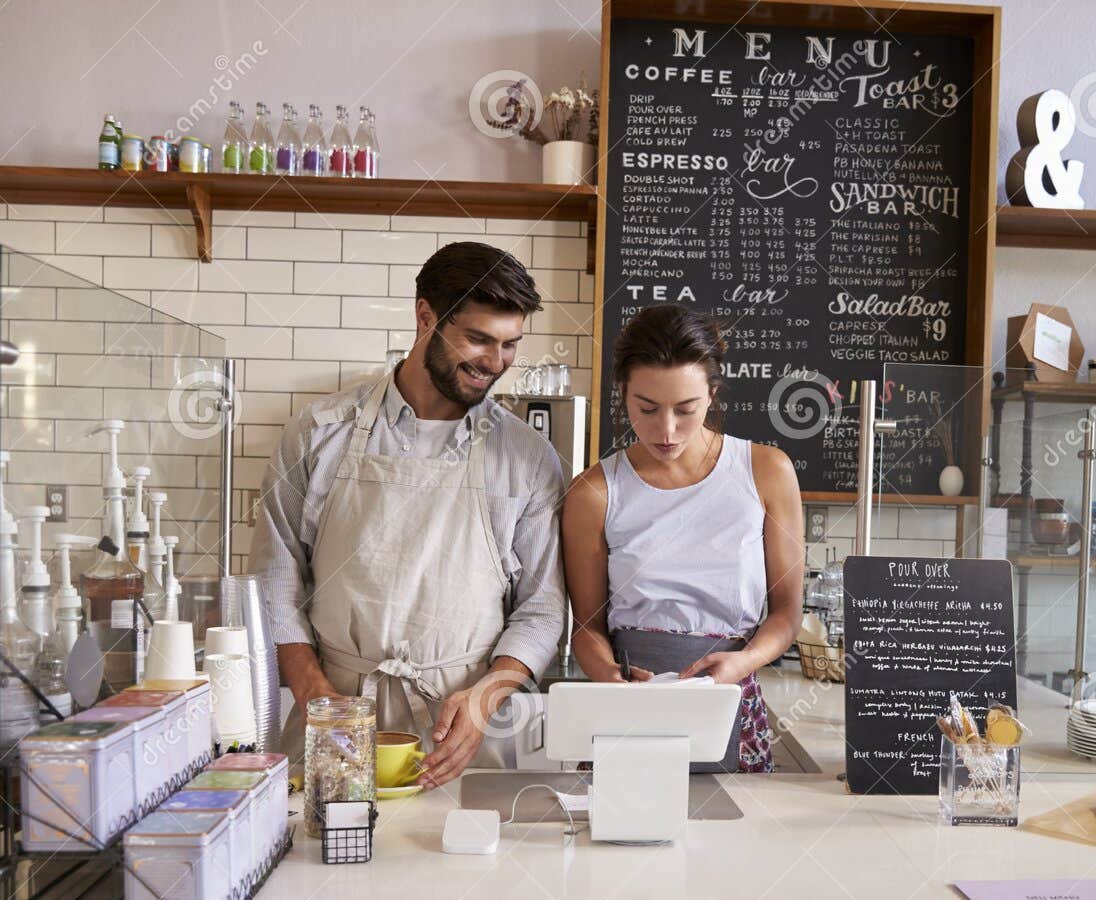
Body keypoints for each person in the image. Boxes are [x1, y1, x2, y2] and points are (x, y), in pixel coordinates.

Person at [251, 241, 566, 788]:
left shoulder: (527, 458)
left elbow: (542, 609)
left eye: (510, 345)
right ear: (426, 316)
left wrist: (487, 697)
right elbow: (274, 581)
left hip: (465, 734)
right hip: (337, 720)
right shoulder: (319, 431)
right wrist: (318, 700)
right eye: (478, 339)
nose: (495, 363)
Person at [561, 304, 804, 772]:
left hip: (729, 702)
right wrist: (611, 679)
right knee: (620, 831)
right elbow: (587, 627)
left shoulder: (768, 472)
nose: (666, 430)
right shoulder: (594, 492)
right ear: (624, 393)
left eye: (685, 409)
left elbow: (787, 613)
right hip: (628, 710)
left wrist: (742, 662)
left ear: (712, 394)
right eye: (646, 409)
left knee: (735, 840)